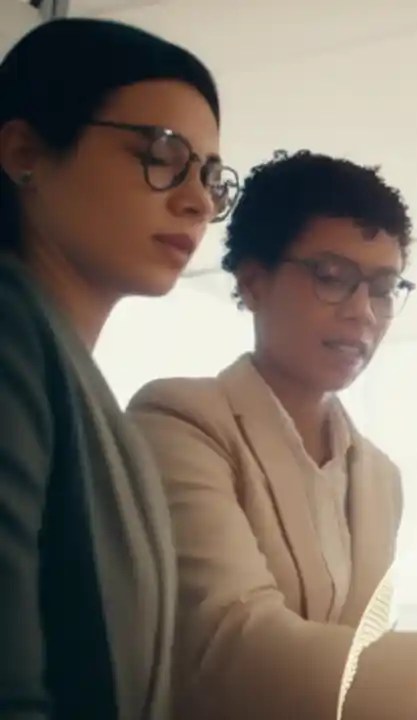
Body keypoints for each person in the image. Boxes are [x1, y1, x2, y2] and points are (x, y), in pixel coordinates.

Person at [126, 151, 417, 720]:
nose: (363, 312)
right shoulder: (179, 421)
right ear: (254, 281)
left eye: (384, 287)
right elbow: (232, 644)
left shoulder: (379, 476)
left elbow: (366, 661)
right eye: (332, 278)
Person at [0, 18, 231, 719]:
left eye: (212, 176)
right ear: (24, 151)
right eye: (161, 153)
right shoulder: (11, 328)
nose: (195, 200)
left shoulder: (81, 382)